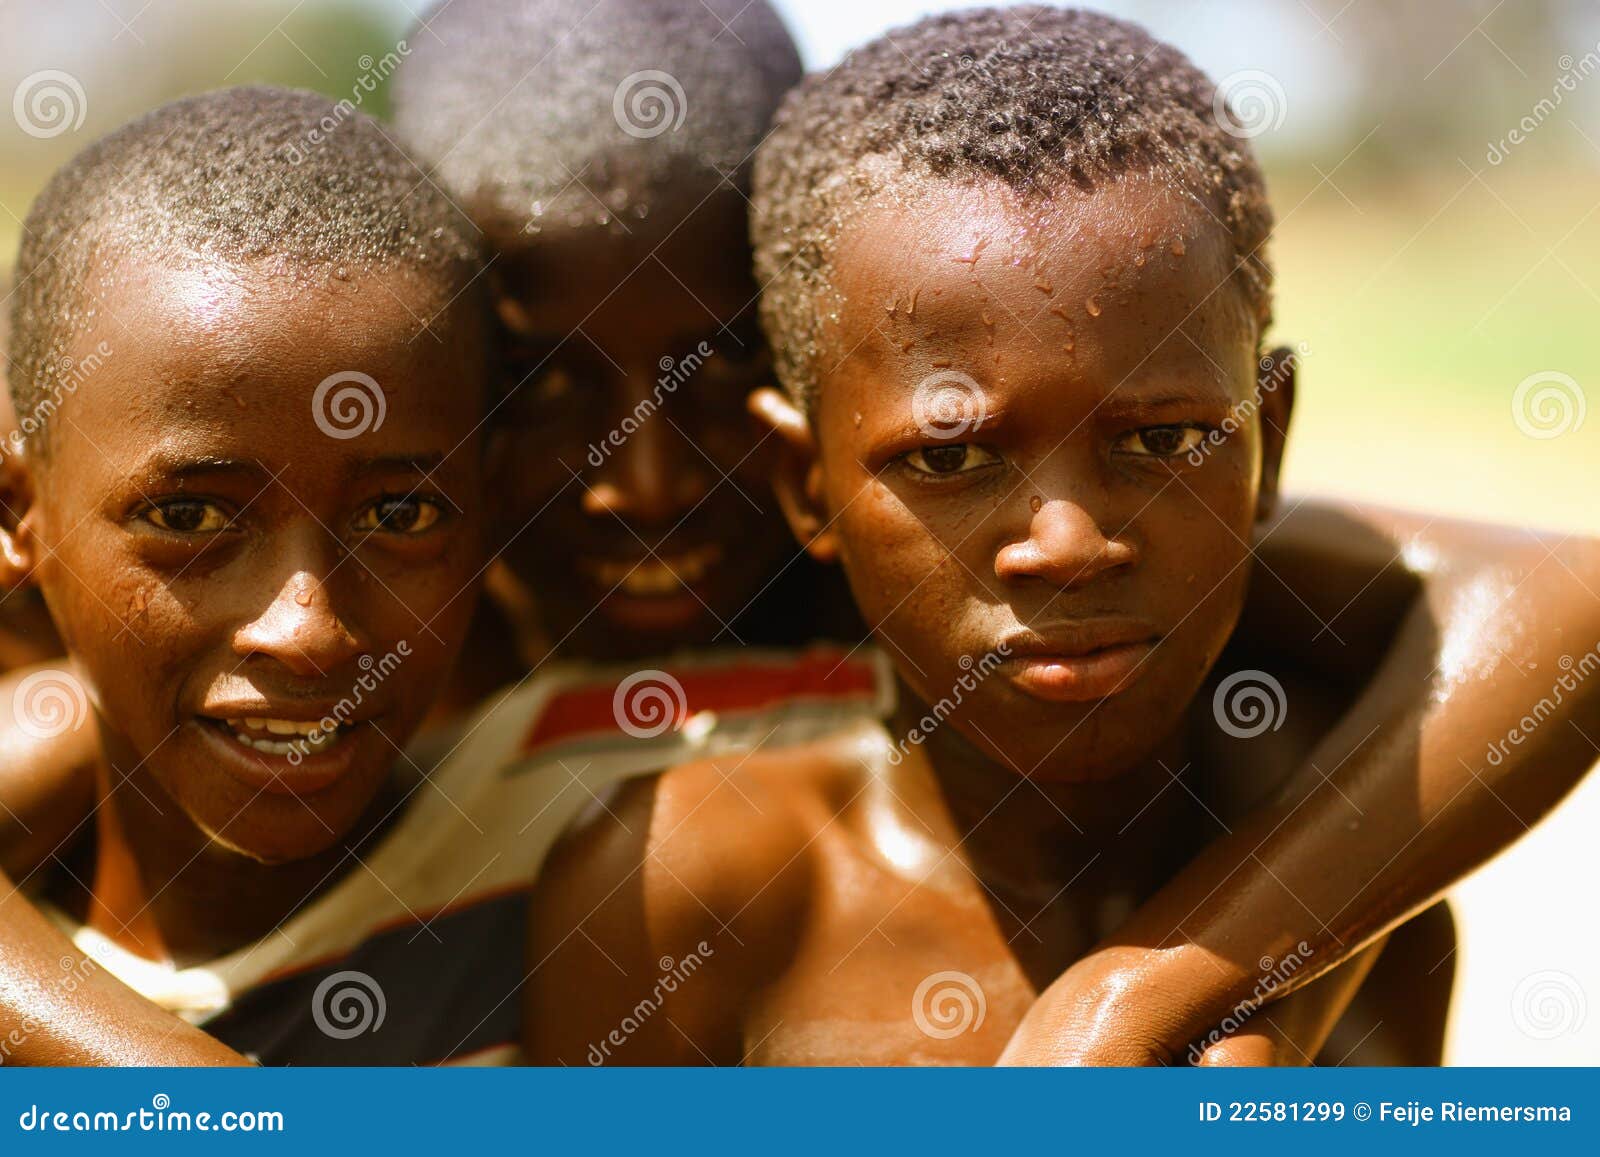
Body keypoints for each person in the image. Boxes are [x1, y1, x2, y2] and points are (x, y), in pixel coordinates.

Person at [521, 8, 1600, 1064]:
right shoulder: (693, 899)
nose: (1068, 542)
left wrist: (1137, 994)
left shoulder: (1361, 890)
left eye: (1165, 438)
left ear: (1266, 435)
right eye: (948, 456)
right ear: (806, 486)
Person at [0, 87, 515, 1065]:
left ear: (489, 507)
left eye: (398, 515)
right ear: (17, 513)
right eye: (188, 516)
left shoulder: (599, 839)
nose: (307, 628)